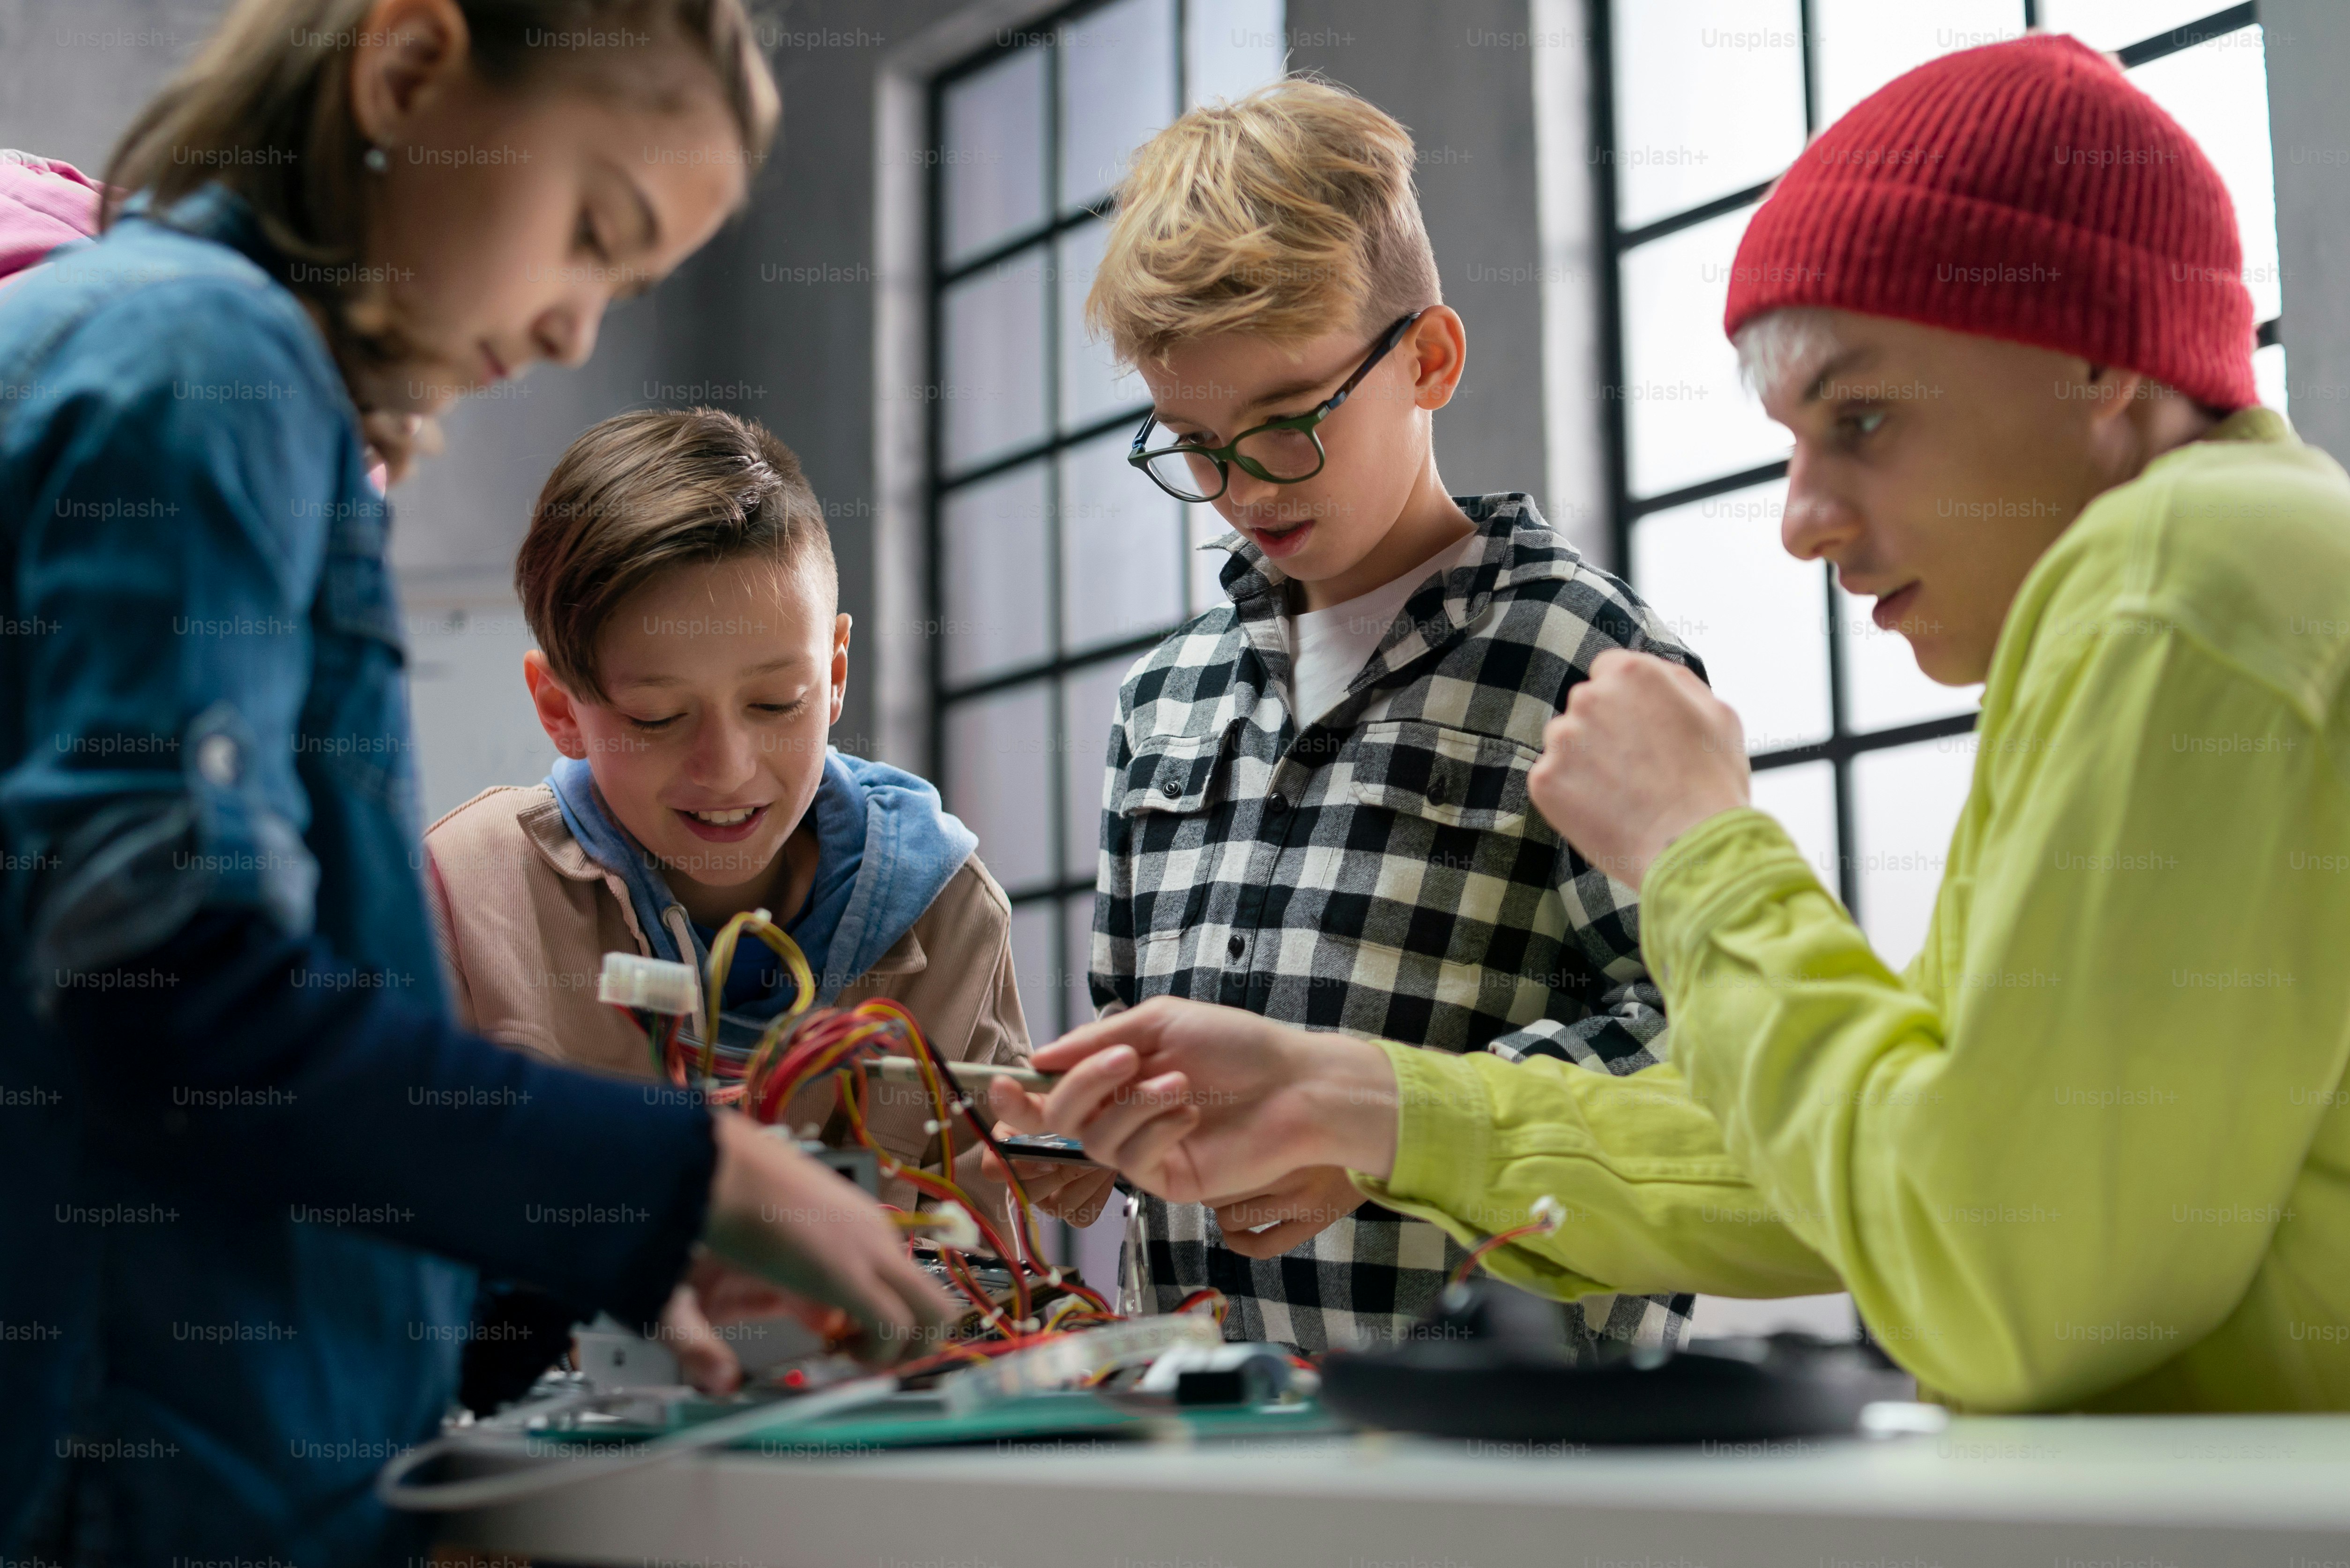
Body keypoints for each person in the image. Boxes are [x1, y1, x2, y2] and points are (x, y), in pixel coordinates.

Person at [990, 34, 2350, 1412]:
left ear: (2093, 361)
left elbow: (1995, 1282)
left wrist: (1705, 850)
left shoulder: (2179, 579)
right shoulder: (2203, 580)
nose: (1802, 522)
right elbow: (1864, 1173)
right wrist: (1360, 1105)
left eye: (1864, 418)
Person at [0, 1, 946, 1560]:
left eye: (624, 284)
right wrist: (677, 1173)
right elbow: (169, 993)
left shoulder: (165, 350)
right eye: (592, 227)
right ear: (408, 63)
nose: (579, 328)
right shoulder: (201, 359)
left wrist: (595, 1245)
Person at [983, 79, 1704, 1353]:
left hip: (1510, 1455)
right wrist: (1088, 1138)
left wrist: (1378, 1135)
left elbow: (1699, 1057)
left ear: (1426, 358)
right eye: (1193, 441)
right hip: (1211, 1448)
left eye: (1287, 422)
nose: (1241, 485)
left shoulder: (1587, 665)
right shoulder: (1165, 702)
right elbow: (1149, 1070)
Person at [426, 407, 1031, 1388]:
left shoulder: (945, 907)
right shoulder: (468, 890)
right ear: (557, 708)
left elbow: (984, 1273)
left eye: (775, 704)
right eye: (657, 717)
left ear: (835, 673)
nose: (727, 767)